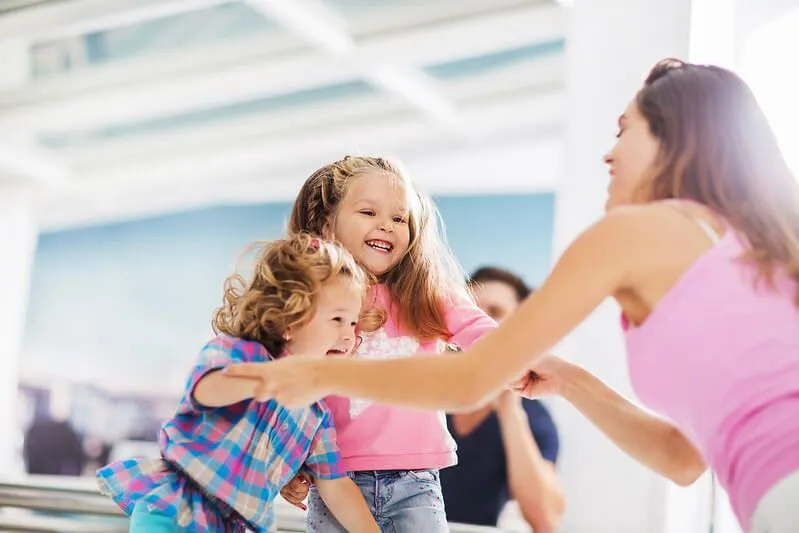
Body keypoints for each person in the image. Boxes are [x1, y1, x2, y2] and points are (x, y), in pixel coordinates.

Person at [227, 59, 799, 533]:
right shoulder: (749, 249)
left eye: (625, 130)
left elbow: (470, 377)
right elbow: (683, 459)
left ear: (674, 143)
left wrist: (312, 376)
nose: (608, 153)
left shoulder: (634, 233)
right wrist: (570, 379)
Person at [96, 234, 380, 533]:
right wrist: (266, 381)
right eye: (337, 320)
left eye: (352, 323)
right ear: (290, 321)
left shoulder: (317, 417)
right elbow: (206, 391)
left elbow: (335, 485)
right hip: (175, 507)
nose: (349, 336)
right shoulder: (236, 353)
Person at [278, 156, 497, 532]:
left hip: (416, 482)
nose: (387, 226)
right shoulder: (311, 303)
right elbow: (288, 389)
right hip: (334, 483)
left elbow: (480, 330)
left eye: (400, 219)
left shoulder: (426, 294)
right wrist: (290, 461)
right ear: (326, 224)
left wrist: (520, 359)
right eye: (368, 212)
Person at [440, 267, 564, 532]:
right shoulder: (421, 396)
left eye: (494, 312)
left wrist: (510, 411)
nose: (476, 323)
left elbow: (545, 519)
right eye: (469, 311)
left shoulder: (535, 419)